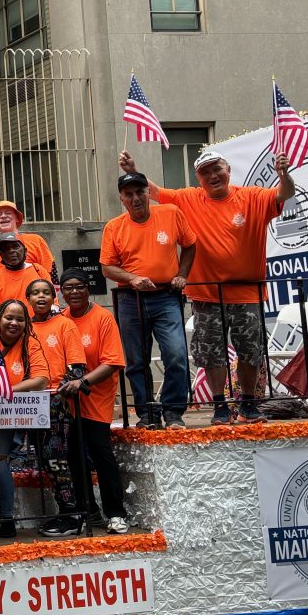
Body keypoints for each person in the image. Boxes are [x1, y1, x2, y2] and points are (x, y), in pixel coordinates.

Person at [120, 147, 294, 424]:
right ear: (198, 179)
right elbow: (154, 192)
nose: (213, 175)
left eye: (217, 169)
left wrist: (284, 175)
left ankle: (248, 403)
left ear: (228, 171)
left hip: (246, 290)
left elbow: (284, 194)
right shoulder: (189, 198)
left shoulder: (252, 196)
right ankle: (220, 405)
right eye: (205, 172)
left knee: (250, 350)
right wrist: (133, 172)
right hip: (205, 293)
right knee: (211, 352)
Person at [100, 170, 196, 428]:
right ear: (121, 198)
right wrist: (132, 278)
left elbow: (189, 245)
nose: (136, 198)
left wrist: (182, 274)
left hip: (167, 295)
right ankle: (147, 414)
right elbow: (107, 267)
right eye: (128, 194)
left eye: (140, 192)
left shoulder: (171, 213)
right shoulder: (114, 227)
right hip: (130, 299)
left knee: (175, 353)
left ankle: (173, 412)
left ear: (147, 193)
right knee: (135, 359)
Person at [51, 268, 129, 536]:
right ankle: (89, 510)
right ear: (61, 292)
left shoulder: (103, 318)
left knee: (100, 453)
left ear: (88, 288)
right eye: (68, 287)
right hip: (67, 401)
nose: (73, 292)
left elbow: (113, 362)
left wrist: (82, 383)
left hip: (95, 397)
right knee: (73, 455)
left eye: (79, 286)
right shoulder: (59, 319)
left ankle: (116, 513)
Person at [0, 299, 55, 538]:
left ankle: (7, 517)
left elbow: (41, 379)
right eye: (8, 317)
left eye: (20, 319)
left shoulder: (29, 343)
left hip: (3, 411)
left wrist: (6, 392)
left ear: (26, 322)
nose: (14, 323)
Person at [0, 200, 55, 280]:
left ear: (17, 218)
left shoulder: (36, 240)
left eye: (8, 213)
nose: (3, 216)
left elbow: (50, 272)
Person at [0, 234, 41, 325]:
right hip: (8, 334)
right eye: (6, 249)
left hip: (38, 331)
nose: (11, 251)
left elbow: (53, 305)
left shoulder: (39, 271)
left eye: (16, 247)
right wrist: (15, 324)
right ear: (1, 255)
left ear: (25, 251)